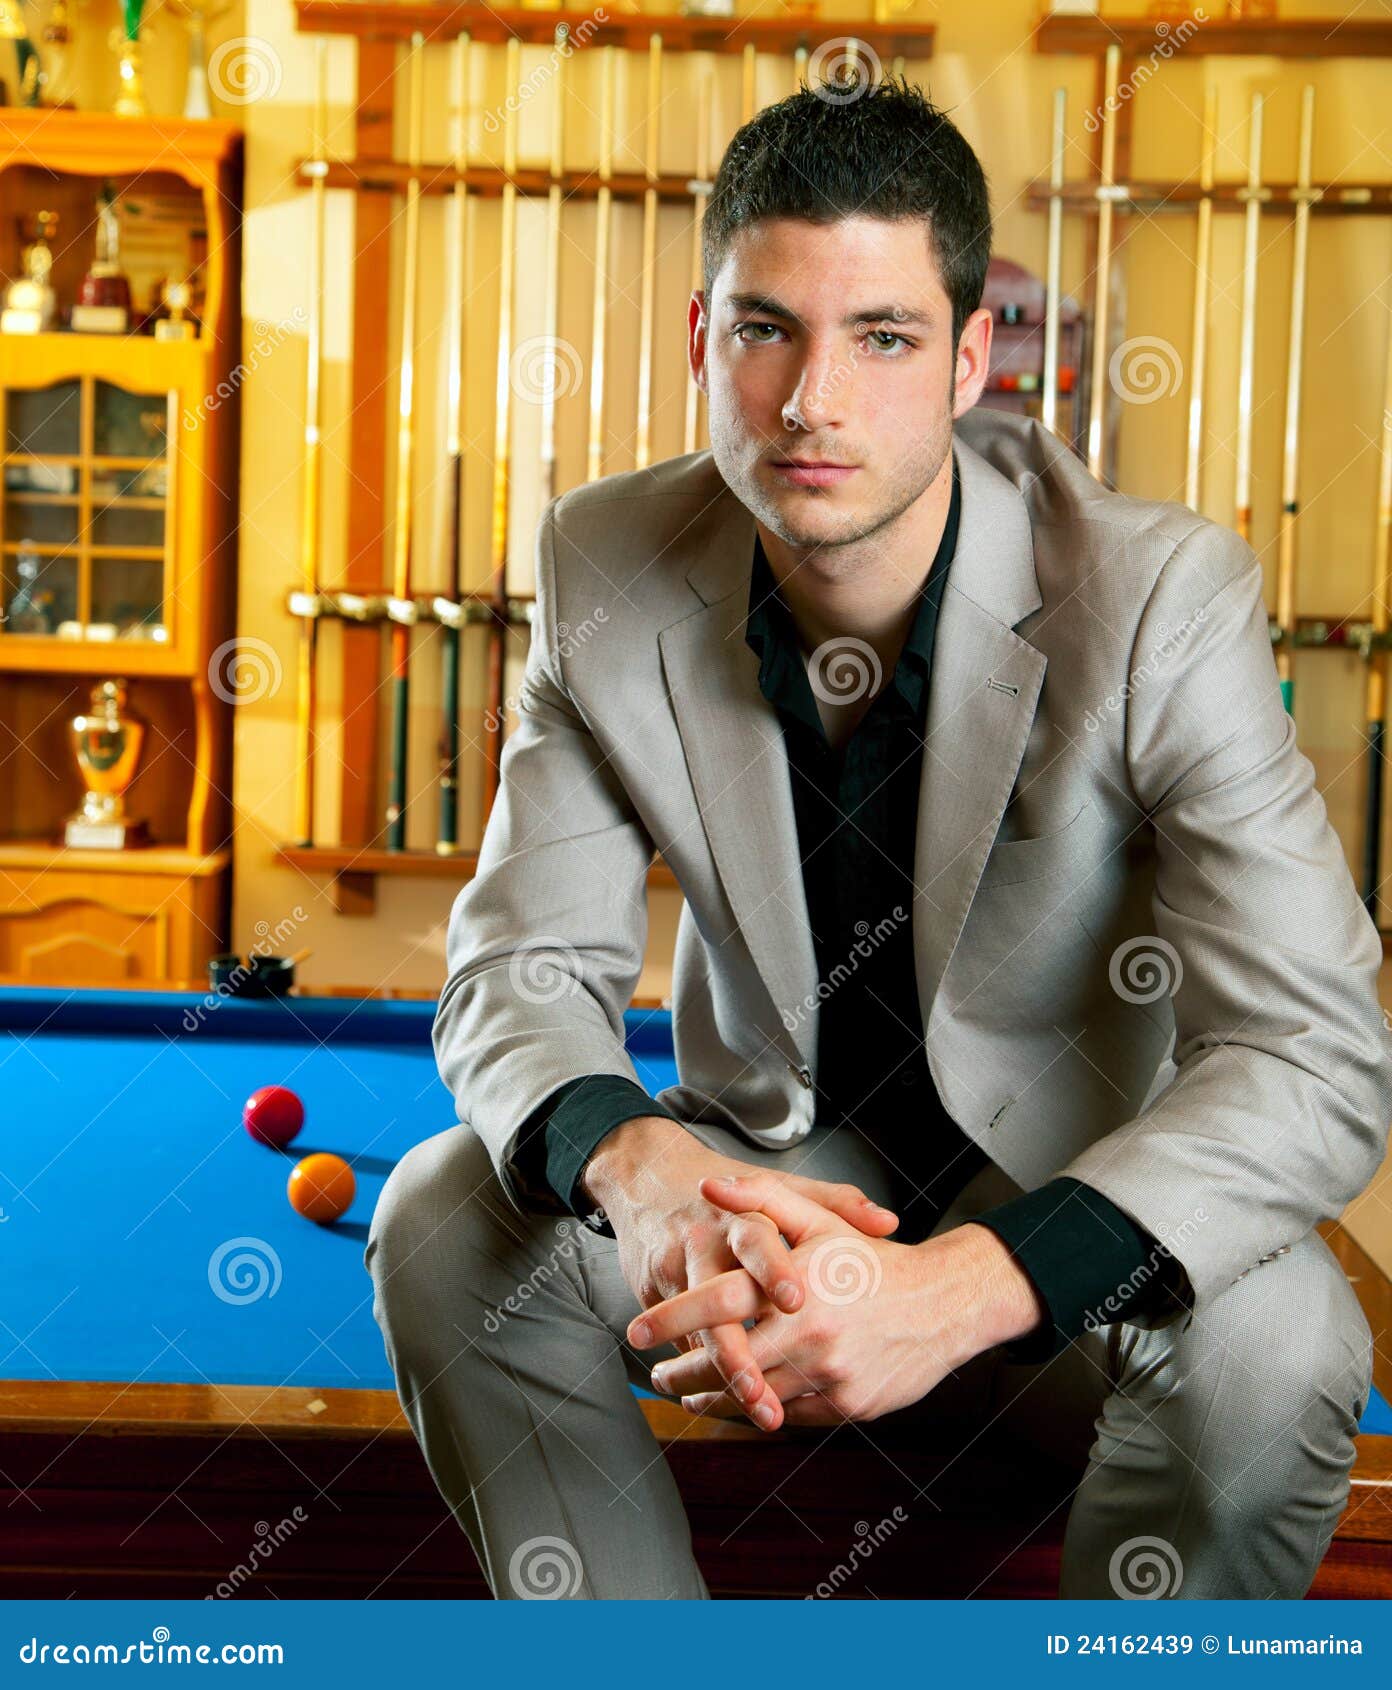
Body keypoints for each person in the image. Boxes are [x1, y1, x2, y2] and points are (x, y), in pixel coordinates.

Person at [367, 75, 1390, 1600]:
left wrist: (967, 1287)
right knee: (443, 1209)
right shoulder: (606, 559)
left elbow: (1313, 1059)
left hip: (1065, 1234)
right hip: (762, 1212)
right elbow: (517, 970)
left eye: (884, 336)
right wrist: (640, 1166)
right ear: (700, 341)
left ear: (974, 358)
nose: (811, 402)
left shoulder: (1162, 596)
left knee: (1291, 1332)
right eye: (766, 328)